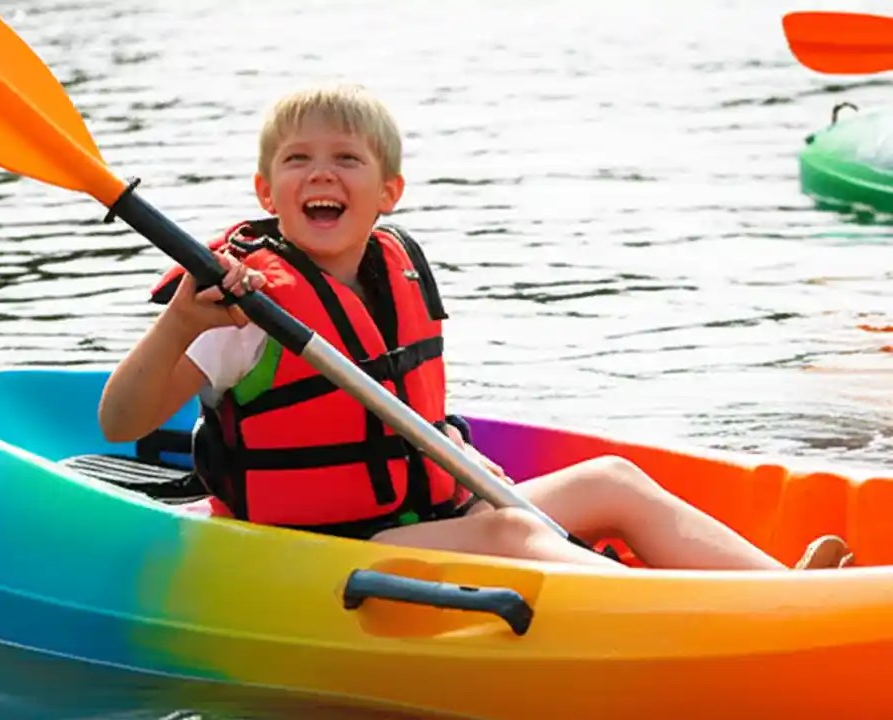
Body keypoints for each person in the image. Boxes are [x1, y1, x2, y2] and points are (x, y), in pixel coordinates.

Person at [97, 82, 854, 571]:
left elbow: (404, 408)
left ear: (387, 193)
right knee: (512, 537)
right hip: (320, 547)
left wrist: (455, 450)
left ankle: (780, 589)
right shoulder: (242, 301)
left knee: (611, 481)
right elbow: (119, 417)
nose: (321, 173)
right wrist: (176, 324)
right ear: (267, 189)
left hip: (421, 510)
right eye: (298, 159)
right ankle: (709, 616)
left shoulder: (396, 269)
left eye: (346, 159)